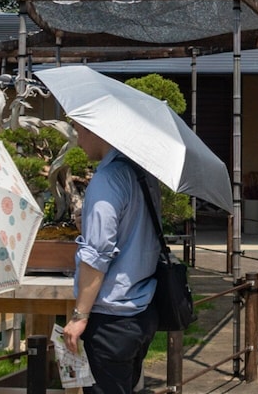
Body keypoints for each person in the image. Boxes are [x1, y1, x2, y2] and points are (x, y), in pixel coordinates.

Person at [60, 121, 164, 394]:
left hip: (111, 317)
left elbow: (97, 255)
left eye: (79, 129)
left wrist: (79, 316)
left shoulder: (107, 179)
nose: (77, 138)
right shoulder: (142, 173)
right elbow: (134, 231)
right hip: (142, 308)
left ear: (96, 129)